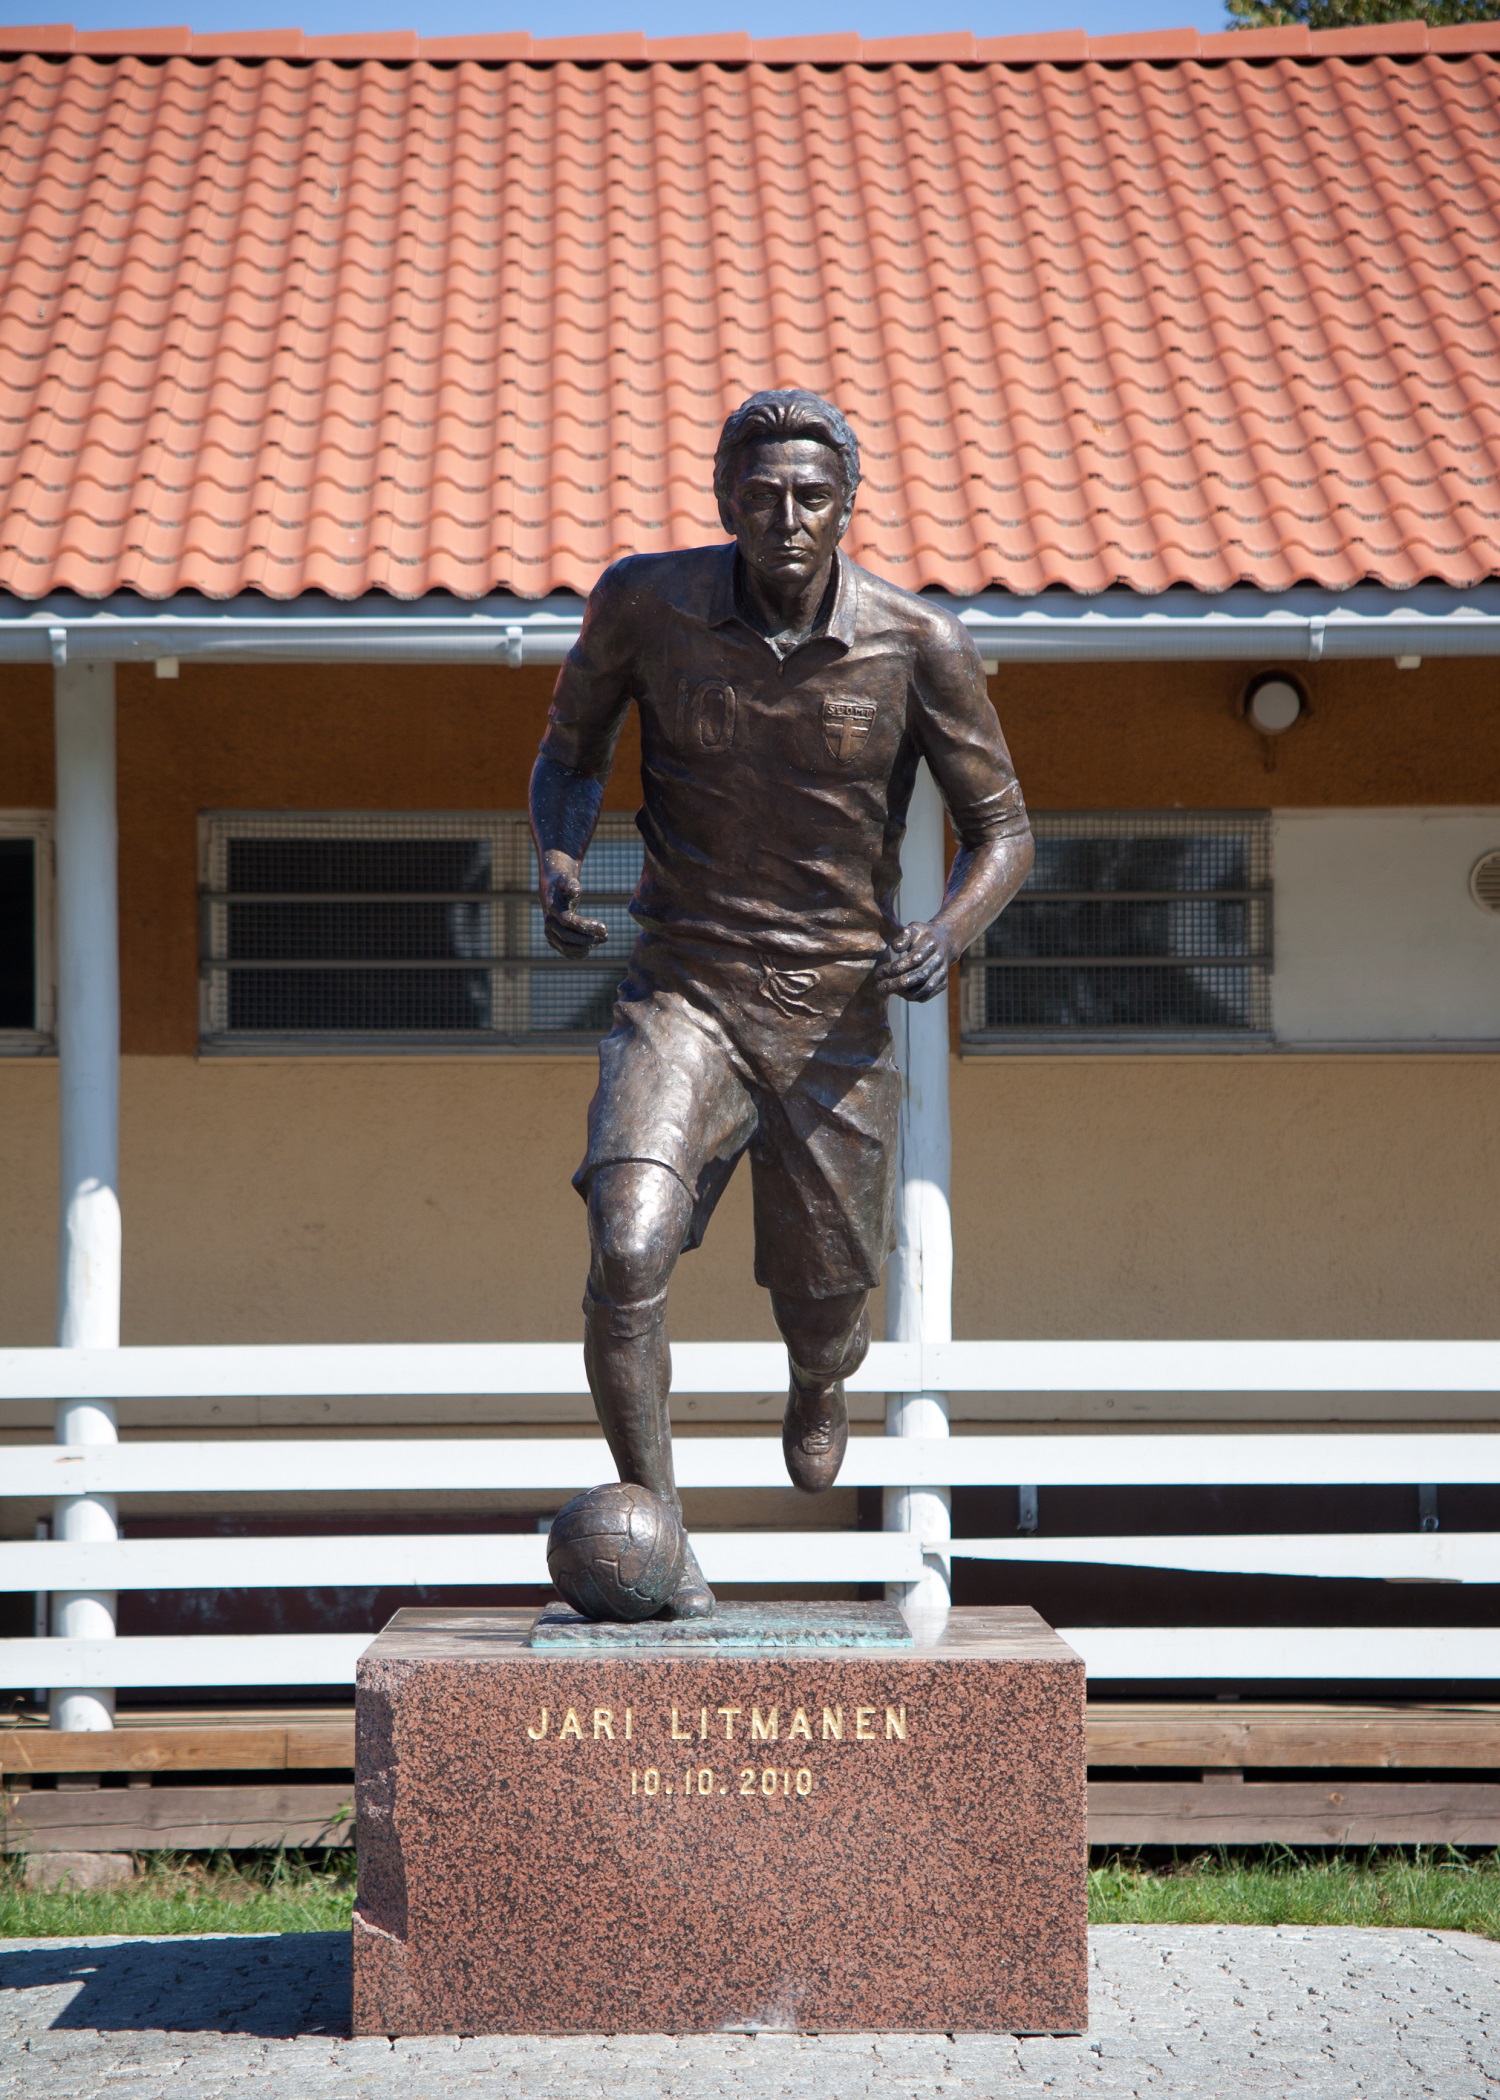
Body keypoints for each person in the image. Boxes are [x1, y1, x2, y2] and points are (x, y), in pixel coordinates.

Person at [530, 389, 1033, 1617]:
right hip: (683, 985)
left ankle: (820, 1378)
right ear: (726, 501)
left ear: (847, 503)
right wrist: (556, 855)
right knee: (628, 1240)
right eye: (763, 496)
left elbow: (1006, 832)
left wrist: (946, 934)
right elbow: (570, 751)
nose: (788, 519)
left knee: (826, 1314)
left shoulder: (918, 645)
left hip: (834, 1013)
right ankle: (664, 1543)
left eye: (812, 495)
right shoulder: (645, 605)